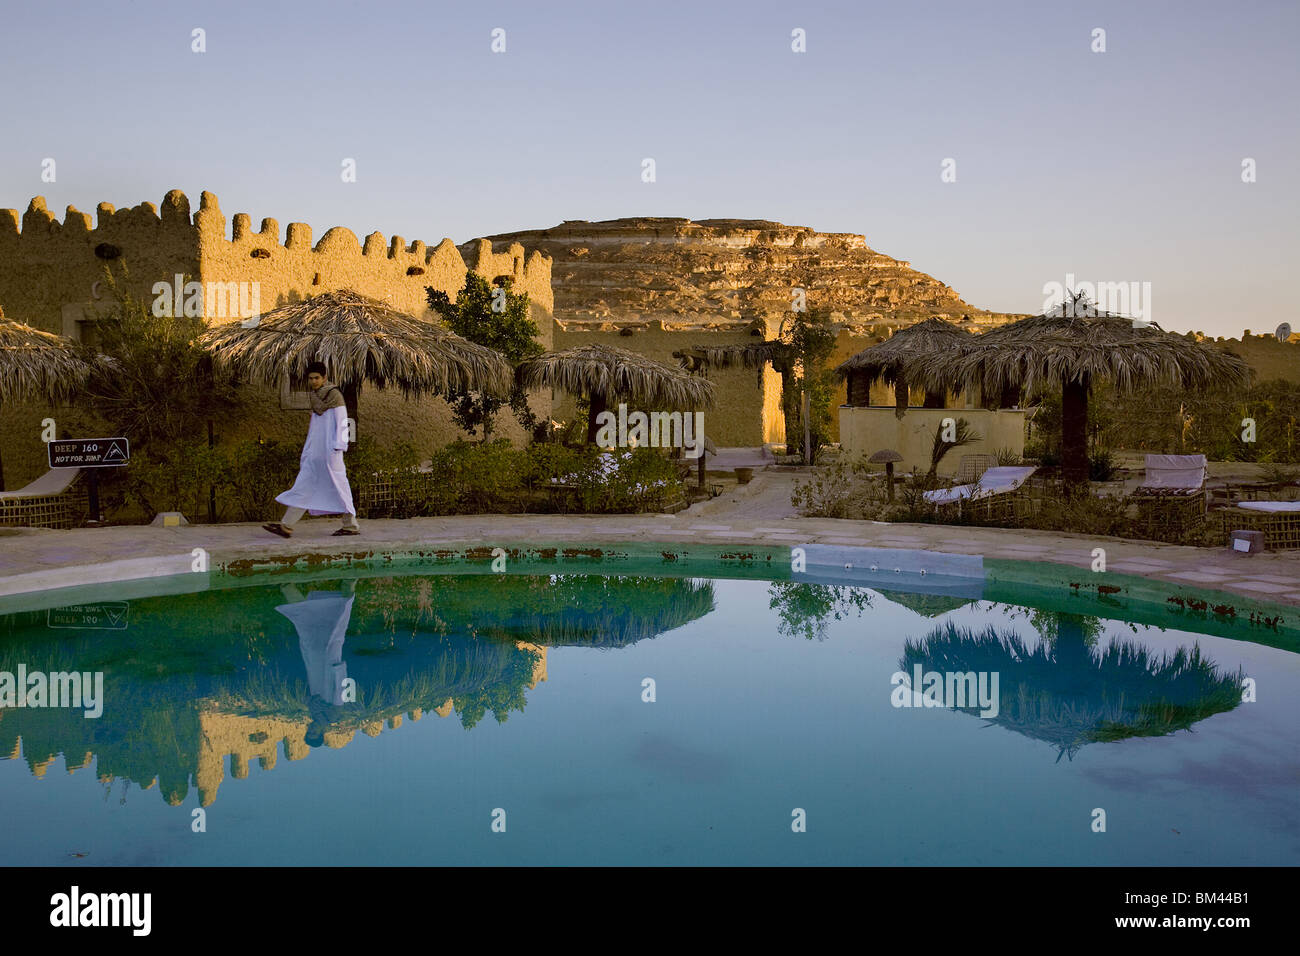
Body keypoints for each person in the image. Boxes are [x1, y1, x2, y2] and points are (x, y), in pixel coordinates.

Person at [263, 361, 360, 537]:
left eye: (317, 378)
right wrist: (309, 451)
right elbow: (316, 427)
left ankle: (351, 526)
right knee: (305, 485)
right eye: (310, 378)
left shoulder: (334, 395)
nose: (314, 381)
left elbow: (343, 421)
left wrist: (339, 447)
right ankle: (286, 526)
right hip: (316, 453)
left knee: (340, 486)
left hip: (331, 453)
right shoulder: (314, 397)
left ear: (324, 378)